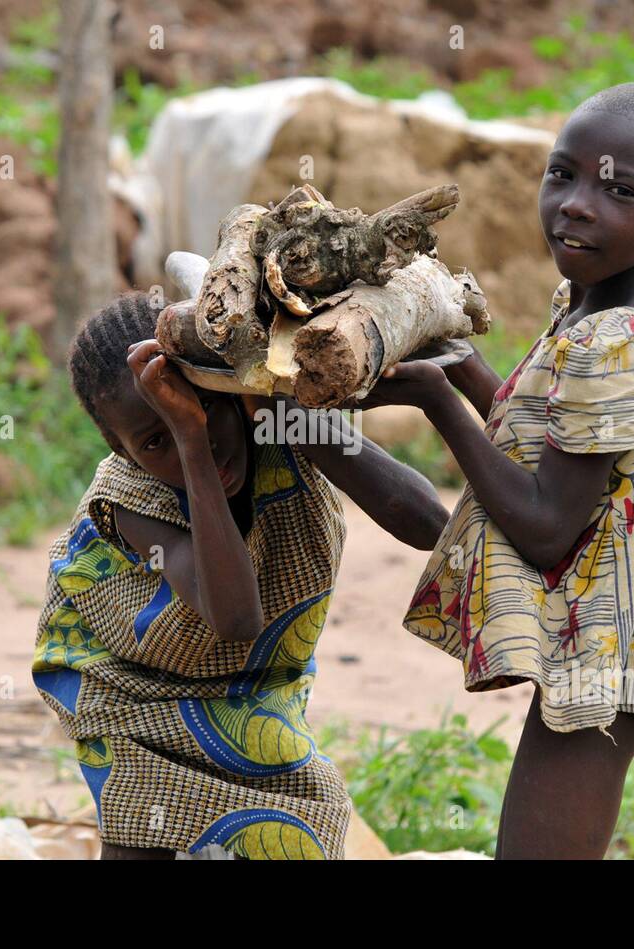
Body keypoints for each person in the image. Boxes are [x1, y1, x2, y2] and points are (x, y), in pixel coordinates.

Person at [368, 83, 634, 859]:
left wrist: (436, 404)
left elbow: (549, 525)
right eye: (563, 175)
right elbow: (552, 438)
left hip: (613, 650)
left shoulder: (616, 336)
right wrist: (465, 371)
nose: (578, 205)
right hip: (622, 628)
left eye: (619, 190)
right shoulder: (598, 306)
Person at [32, 291, 448, 859]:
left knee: (304, 824)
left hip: (253, 690)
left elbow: (428, 524)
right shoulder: (128, 499)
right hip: (130, 693)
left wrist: (300, 418)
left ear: (228, 384)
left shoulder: (275, 422)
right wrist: (191, 443)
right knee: (144, 831)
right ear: (122, 454)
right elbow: (235, 617)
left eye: (204, 406)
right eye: (155, 441)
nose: (190, 439)